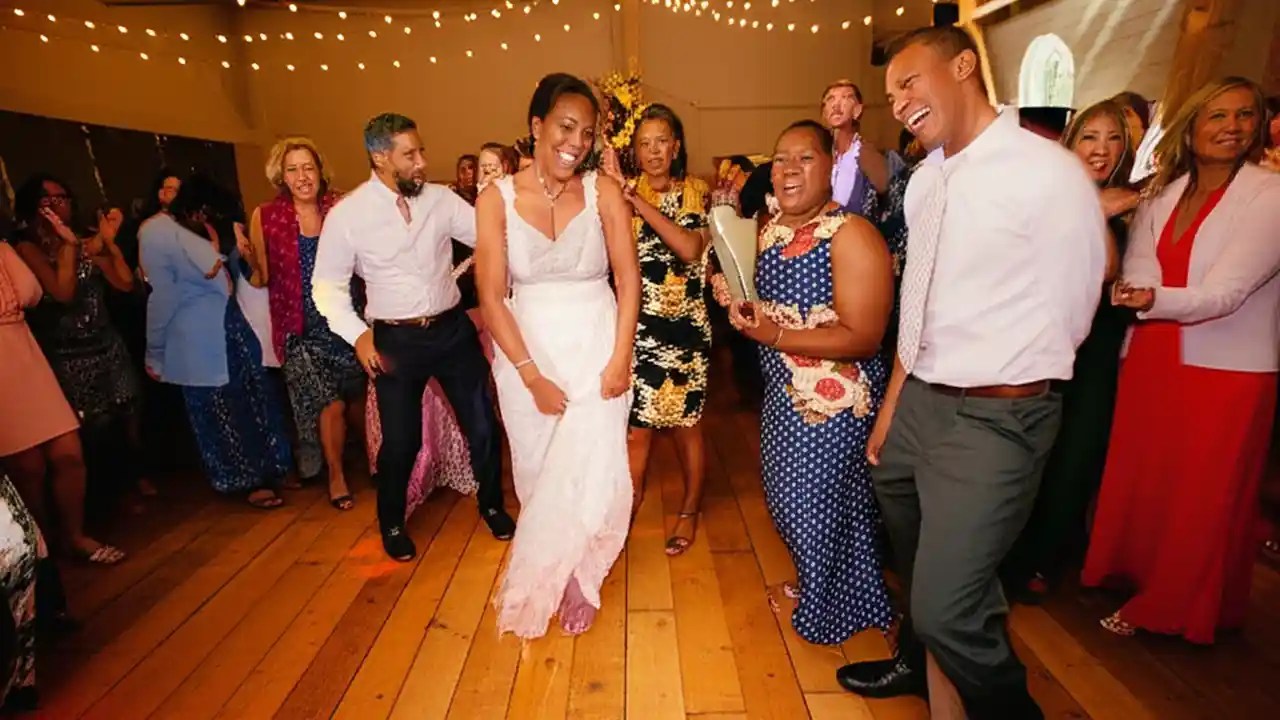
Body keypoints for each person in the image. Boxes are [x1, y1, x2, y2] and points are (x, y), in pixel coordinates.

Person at [836, 26, 1105, 719]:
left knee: (947, 607)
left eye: (910, 82)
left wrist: (1006, 378)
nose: (898, 102)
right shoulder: (927, 181)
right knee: (937, 583)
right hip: (919, 404)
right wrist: (894, 407)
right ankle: (935, 694)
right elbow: (920, 305)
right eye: (890, 93)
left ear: (962, 66)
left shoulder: (1045, 172)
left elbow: (1076, 309)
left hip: (996, 417)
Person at [1081, 77, 1280, 644]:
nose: (1232, 127)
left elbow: (1227, 293)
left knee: (1205, 492)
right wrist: (1140, 293)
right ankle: (1137, 575)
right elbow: (1140, 263)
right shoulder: (1165, 192)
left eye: (1245, 115)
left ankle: (1171, 606)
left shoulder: (1270, 195)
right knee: (1152, 480)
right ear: (1191, 128)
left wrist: (1151, 299)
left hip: (1228, 366)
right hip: (1152, 351)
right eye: (1217, 116)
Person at [721, 120, 895, 645]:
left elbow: (864, 336)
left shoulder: (852, 234)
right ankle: (828, 586)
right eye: (780, 159)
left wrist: (772, 333)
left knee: (813, 504)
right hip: (784, 395)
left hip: (836, 405)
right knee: (789, 501)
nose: (788, 169)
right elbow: (762, 301)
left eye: (805, 158)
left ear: (830, 168)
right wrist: (738, 302)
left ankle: (832, 608)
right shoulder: (770, 229)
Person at [477, 73, 639, 638]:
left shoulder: (605, 193)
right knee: (541, 467)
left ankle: (583, 575)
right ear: (536, 126)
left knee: (597, 468)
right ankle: (555, 557)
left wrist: (620, 359)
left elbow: (628, 278)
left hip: (596, 342)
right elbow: (492, 297)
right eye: (566, 127)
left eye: (588, 133)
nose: (577, 142)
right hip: (528, 351)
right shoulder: (495, 200)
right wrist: (530, 375)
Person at [312, 113, 515, 560]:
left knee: (481, 424)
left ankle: (493, 505)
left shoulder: (441, 200)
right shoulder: (348, 216)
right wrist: (358, 335)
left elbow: (490, 237)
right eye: (410, 154)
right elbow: (326, 287)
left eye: (420, 151)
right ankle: (391, 521)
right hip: (395, 342)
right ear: (380, 157)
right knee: (402, 441)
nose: (422, 162)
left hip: (451, 330)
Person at [1003, 100, 1140, 600]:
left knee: (1076, 456)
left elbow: (1105, 269)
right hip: (1045, 339)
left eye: (1113, 139)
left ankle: (1043, 558)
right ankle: (1011, 554)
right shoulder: (1045, 198)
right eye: (1090, 137)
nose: (1101, 150)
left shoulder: (1131, 202)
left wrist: (1096, 206)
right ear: (1070, 143)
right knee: (1032, 456)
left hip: (1097, 349)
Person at [140, 174, 293, 509]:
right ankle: (242, 479)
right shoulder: (161, 234)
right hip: (195, 330)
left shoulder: (226, 228)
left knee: (256, 395)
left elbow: (251, 276)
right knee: (218, 406)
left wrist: (248, 253)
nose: (203, 216)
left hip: (234, 322)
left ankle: (273, 469)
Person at [601, 103, 711, 555]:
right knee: (637, 428)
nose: (652, 151)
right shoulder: (621, 193)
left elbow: (688, 248)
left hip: (686, 331)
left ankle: (689, 508)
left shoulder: (695, 192)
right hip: (640, 329)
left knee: (687, 425)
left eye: (660, 141)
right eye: (643, 143)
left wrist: (634, 199)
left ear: (676, 145)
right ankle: (630, 503)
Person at [240, 137, 363, 509]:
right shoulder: (267, 216)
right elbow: (261, 279)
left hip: (343, 321)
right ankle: (336, 477)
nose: (302, 176)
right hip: (298, 328)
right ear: (282, 176)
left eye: (307, 167)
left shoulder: (341, 207)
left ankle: (378, 462)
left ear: (320, 171)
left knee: (356, 399)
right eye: (292, 169)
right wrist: (250, 261)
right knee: (330, 404)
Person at [0, 237, 122, 564]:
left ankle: (75, 536)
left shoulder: (3, 247)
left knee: (69, 453)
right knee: (28, 467)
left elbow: (35, 294)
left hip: (27, 355)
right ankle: (43, 544)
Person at [822, 80, 876, 215]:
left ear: (857, 110)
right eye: (830, 99)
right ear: (824, 113)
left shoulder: (866, 157)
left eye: (845, 98)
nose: (836, 104)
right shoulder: (820, 155)